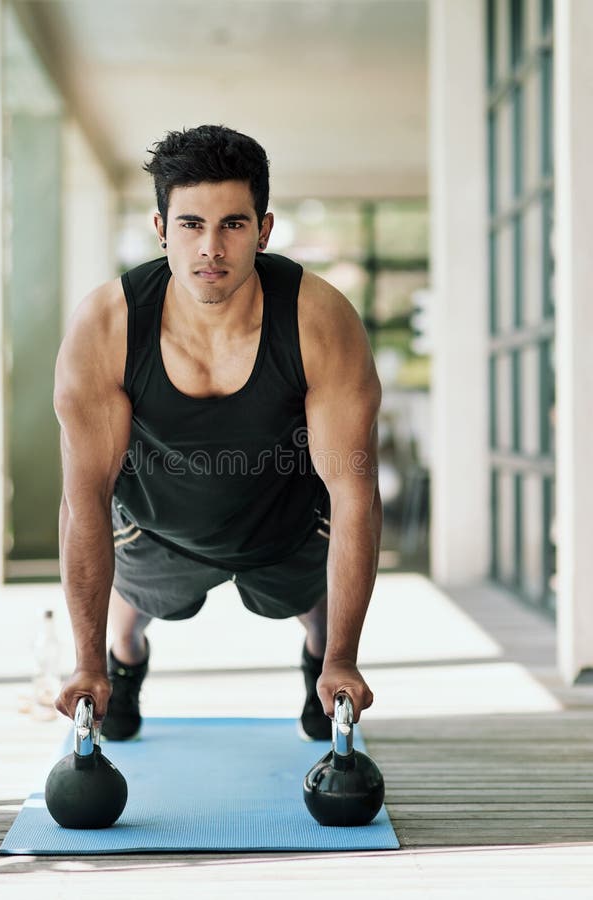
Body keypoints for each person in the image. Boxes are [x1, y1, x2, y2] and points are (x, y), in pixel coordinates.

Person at [53, 124, 382, 742]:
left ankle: (316, 656)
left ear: (263, 230)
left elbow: (355, 494)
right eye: (190, 225)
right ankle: (125, 663)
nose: (211, 247)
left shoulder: (319, 320)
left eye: (232, 224)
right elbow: (84, 499)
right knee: (129, 616)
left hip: (285, 521)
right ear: (160, 229)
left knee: (317, 610)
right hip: (155, 525)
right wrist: (88, 663)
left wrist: (342, 656)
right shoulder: (106, 327)